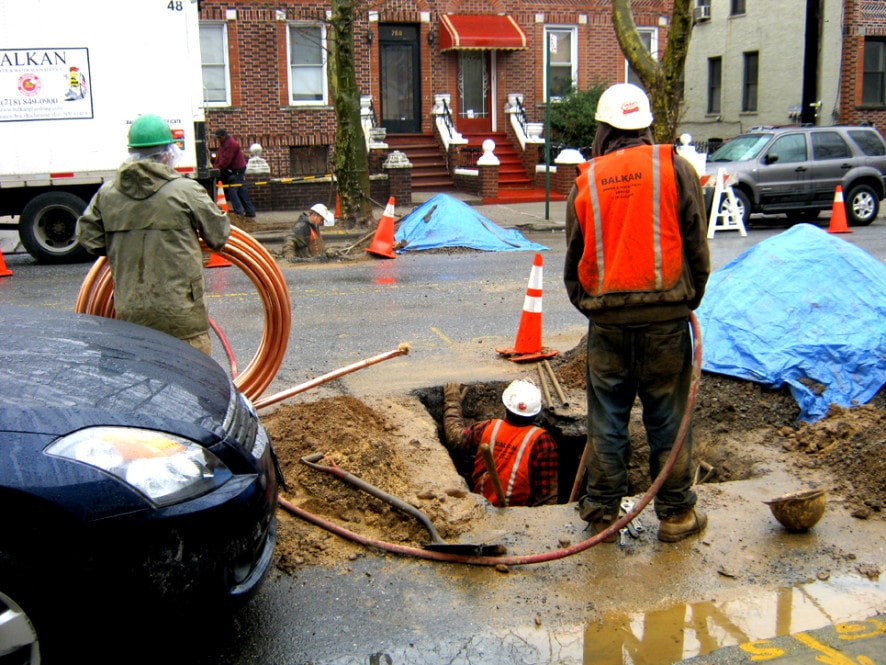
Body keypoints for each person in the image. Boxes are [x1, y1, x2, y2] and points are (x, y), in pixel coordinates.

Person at [563, 83, 711, 543]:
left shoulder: (586, 181)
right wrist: (688, 299)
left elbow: (574, 263)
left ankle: (603, 516)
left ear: (604, 130)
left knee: (606, 419)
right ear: (646, 126)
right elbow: (696, 247)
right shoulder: (675, 169)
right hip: (667, 322)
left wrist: (595, 309)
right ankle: (675, 516)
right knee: (667, 418)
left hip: (607, 326)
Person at [76, 114, 230, 356]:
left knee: (142, 382)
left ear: (132, 153)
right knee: (191, 383)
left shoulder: (107, 194)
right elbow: (219, 235)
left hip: (131, 313)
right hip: (182, 315)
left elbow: (89, 238)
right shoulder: (186, 190)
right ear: (167, 153)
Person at [442, 379, 559, 507]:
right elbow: (547, 497)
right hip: (520, 516)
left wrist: (452, 402)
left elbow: (456, 438)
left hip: (480, 509)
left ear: (506, 406)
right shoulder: (542, 442)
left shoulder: (488, 428)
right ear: (536, 412)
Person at [212, 128, 256, 218]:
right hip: (236, 169)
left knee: (233, 190)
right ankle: (249, 211)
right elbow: (220, 157)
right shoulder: (224, 144)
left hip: (237, 170)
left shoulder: (230, 144)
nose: (218, 140)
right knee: (242, 190)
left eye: (219, 138)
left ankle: (239, 212)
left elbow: (226, 160)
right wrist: (215, 166)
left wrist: (217, 168)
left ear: (224, 136)